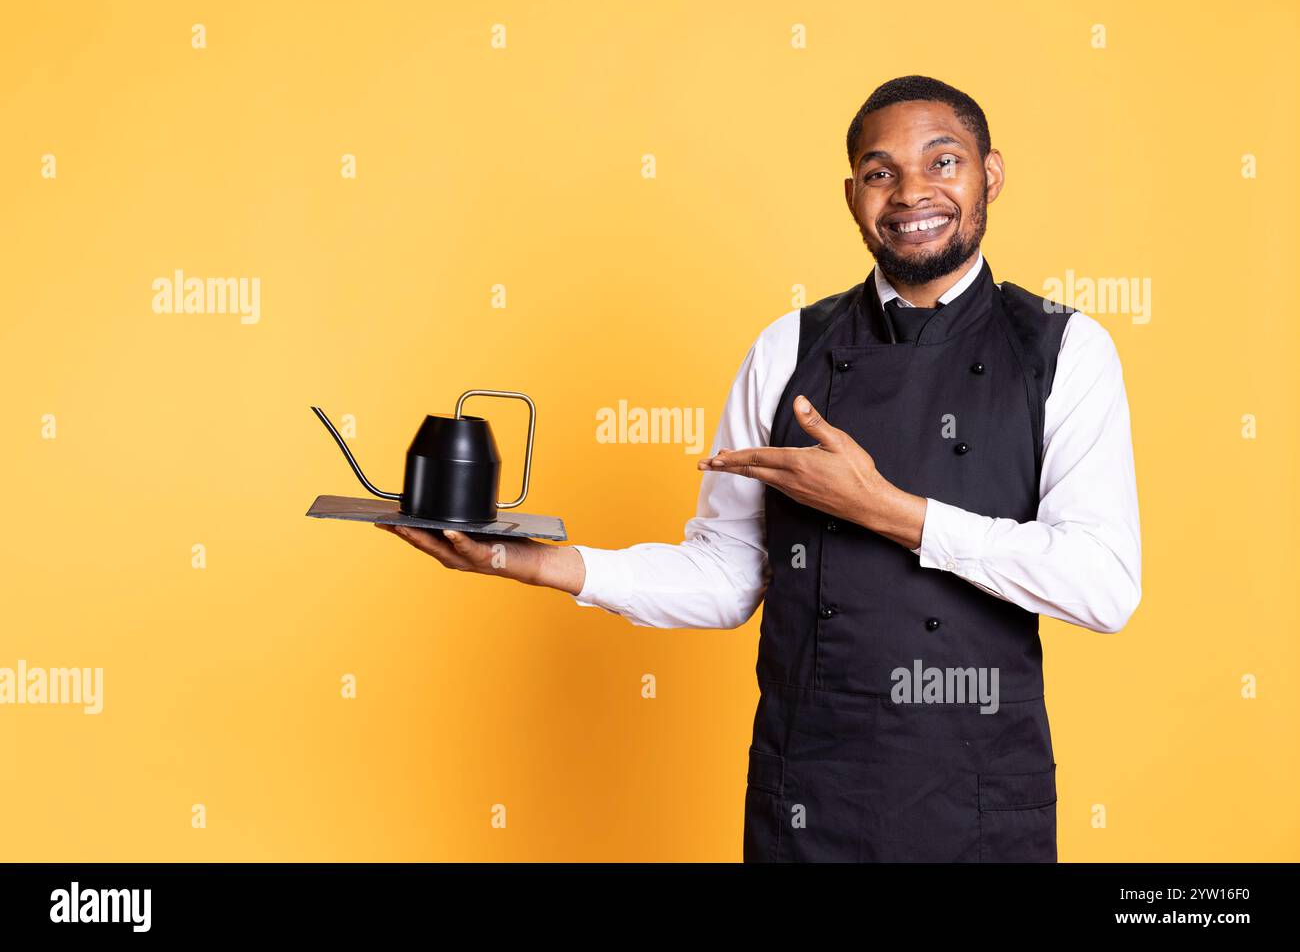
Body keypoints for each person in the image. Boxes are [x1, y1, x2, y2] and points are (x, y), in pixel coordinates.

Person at [376, 75, 1142, 862]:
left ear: (991, 174)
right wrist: (527, 561)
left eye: (943, 162)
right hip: (810, 795)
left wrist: (885, 508)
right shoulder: (786, 350)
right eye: (882, 172)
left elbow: (1104, 586)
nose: (912, 192)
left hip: (979, 803)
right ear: (853, 195)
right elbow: (727, 575)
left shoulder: (1063, 350)